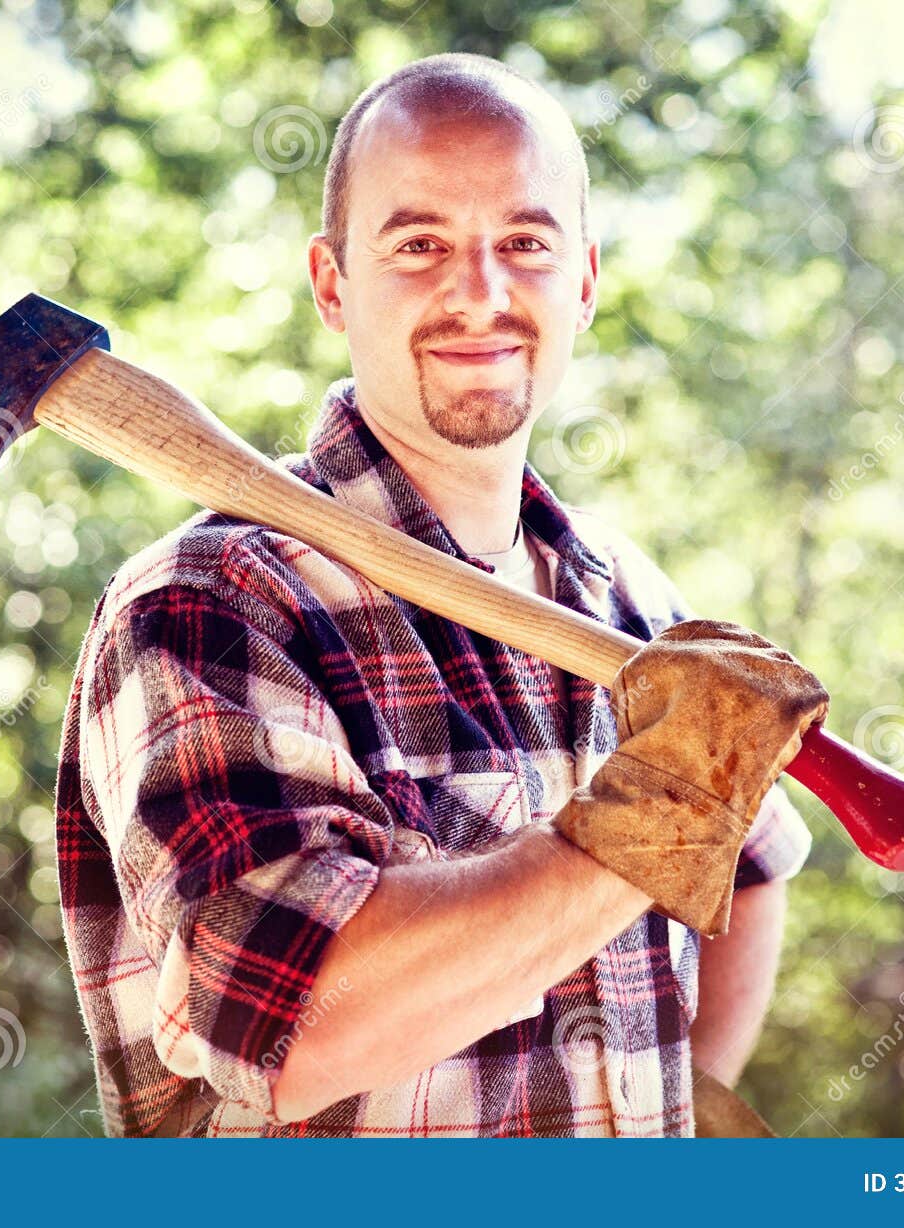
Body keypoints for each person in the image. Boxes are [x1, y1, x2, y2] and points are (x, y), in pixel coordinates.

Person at [53, 52, 828, 1138]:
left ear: (586, 279)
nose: (481, 292)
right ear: (332, 283)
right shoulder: (212, 604)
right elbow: (297, 1023)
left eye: (525, 244)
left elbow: (750, 873)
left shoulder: (631, 606)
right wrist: (657, 811)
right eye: (419, 245)